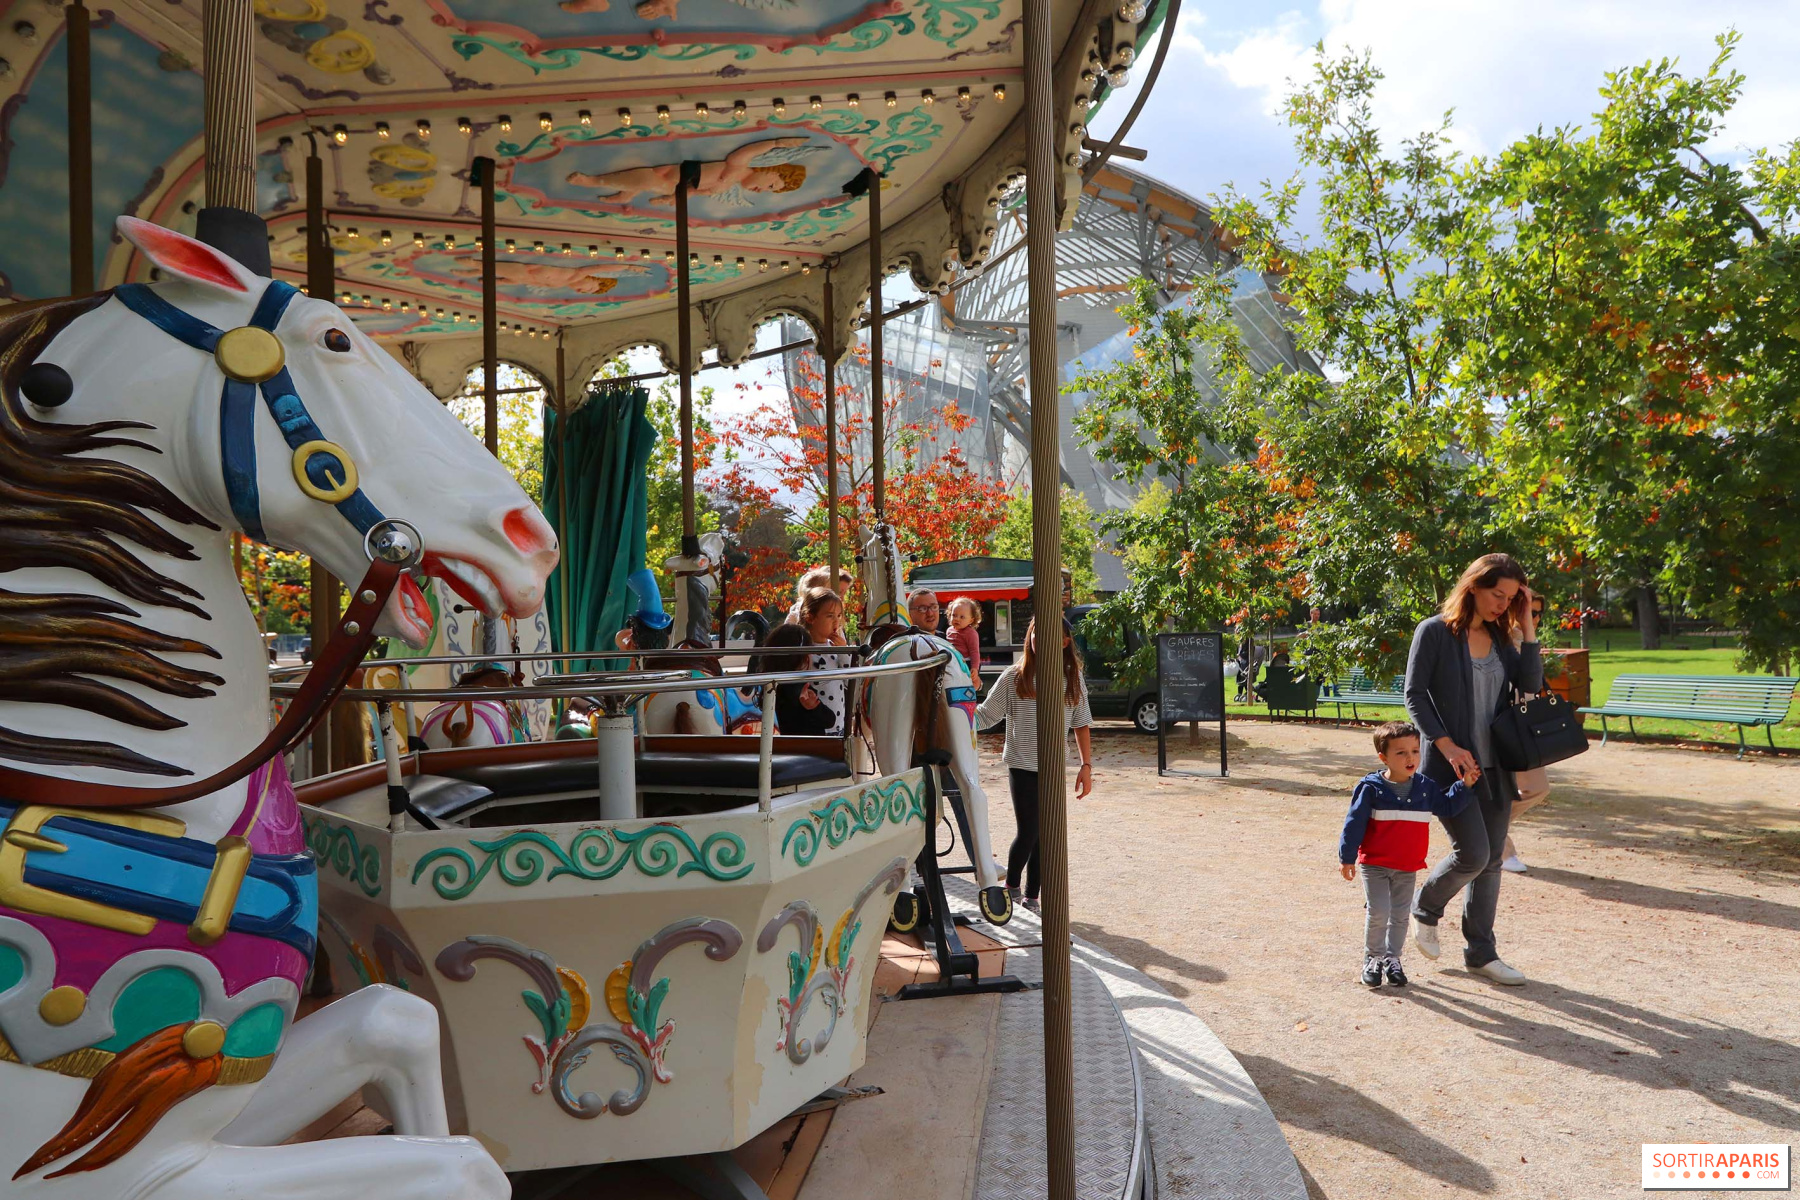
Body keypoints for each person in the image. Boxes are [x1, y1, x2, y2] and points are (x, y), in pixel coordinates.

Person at [1406, 553, 1543, 986]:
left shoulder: (1502, 638)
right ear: (1473, 587)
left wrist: (1527, 627)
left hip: (1497, 765)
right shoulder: (1434, 631)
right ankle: (1425, 907)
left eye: (1511, 598)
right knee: (1474, 854)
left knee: (1492, 862)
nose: (1503, 604)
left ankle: (1481, 953)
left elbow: (1531, 685)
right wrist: (1446, 745)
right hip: (1452, 770)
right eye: (1497, 594)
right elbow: (1414, 694)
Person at [1339, 721, 1473, 988]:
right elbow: (1354, 823)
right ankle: (1373, 959)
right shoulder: (1371, 788)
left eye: (1414, 751)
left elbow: (1447, 807)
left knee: (1400, 915)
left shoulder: (1426, 787)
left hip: (1407, 866)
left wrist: (1465, 785)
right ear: (1383, 757)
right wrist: (1347, 857)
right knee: (1379, 912)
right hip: (1375, 864)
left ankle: (1393, 959)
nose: (1410, 758)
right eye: (1401, 753)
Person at [975, 617, 1094, 914]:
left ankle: (1032, 896)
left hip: (1053, 768)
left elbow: (1081, 724)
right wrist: (955, 713)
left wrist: (1086, 766)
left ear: (1064, 642)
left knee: (1046, 835)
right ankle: (1012, 887)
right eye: (1035, 633)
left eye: (1049, 634)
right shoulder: (1015, 676)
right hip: (1022, 765)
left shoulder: (1072, 678)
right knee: (1029, 831)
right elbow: (986, 715)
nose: (1040, 639)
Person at [1503, 590, 1553, 872]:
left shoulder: (1527, 640)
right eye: (1529, 612)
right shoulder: (1501, 639)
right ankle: (1502, 852)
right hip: (1501, 724)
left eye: (1537, 613)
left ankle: (1486, 827)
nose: (1533, 618)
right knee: (1503, 790)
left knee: (1537, 788)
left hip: (1525, 725)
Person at [795, 586, 850, 735]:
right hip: (817, 727)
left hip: (840, 725)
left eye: (839, 616)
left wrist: (844, 651)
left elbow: (849, 680)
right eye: (830, 616)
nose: (836, 622)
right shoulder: (804, 651)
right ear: (810, 618)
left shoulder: (835, 648)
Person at [763, 624, 832, 735]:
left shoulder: (768, 685)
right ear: (805, 658)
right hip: (807, 744)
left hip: (776, 743)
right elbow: (829, 720)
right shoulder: (803, 691)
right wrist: (815, 708)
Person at [786, 565, 854, 625]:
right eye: (839, 592)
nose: (842, 599)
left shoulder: (835, 622)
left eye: (844, 593)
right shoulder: (794, 620)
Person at [945, 596, 982, 679]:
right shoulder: (949, 630)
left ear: (971, 620)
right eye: (954, 615)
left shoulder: (971, 633)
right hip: (952, 662)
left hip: (966, 662)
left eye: (962, 617)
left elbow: (974, 652)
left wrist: (975, 668)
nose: (957, 619)